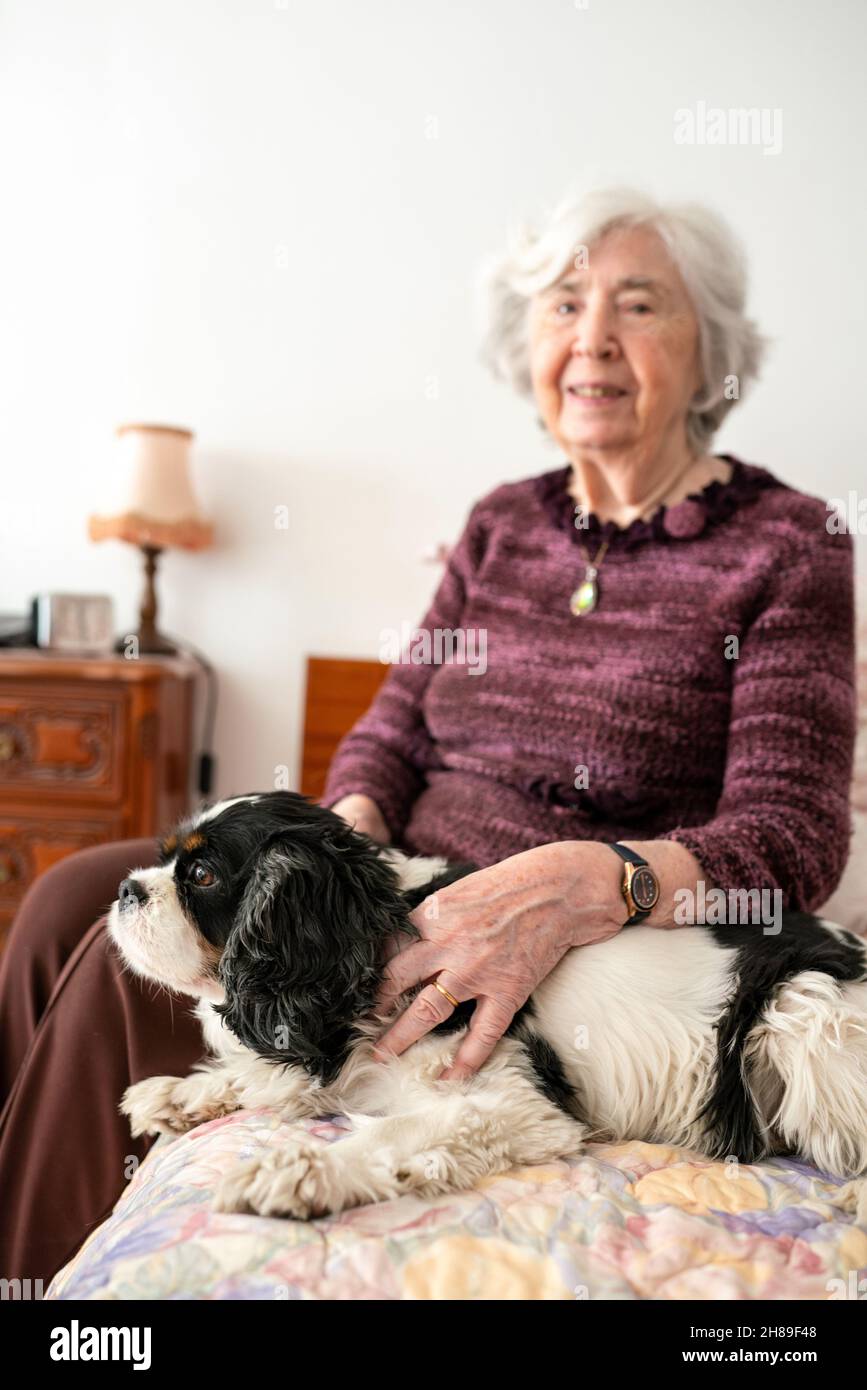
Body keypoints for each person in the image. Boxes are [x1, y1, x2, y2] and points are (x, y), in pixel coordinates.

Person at [0, 188, 855, 1288]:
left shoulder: (788, 545)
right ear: (530, 346)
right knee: (67, 899)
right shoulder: (503, 522)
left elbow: (789, 833)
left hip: (595, 945)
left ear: (711, 350)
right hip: (396, 890)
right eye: (562, 305)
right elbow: (390, 731)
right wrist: (339, 850)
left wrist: (592, 882)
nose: (591, 337)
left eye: (636, 305)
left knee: (117, 976)